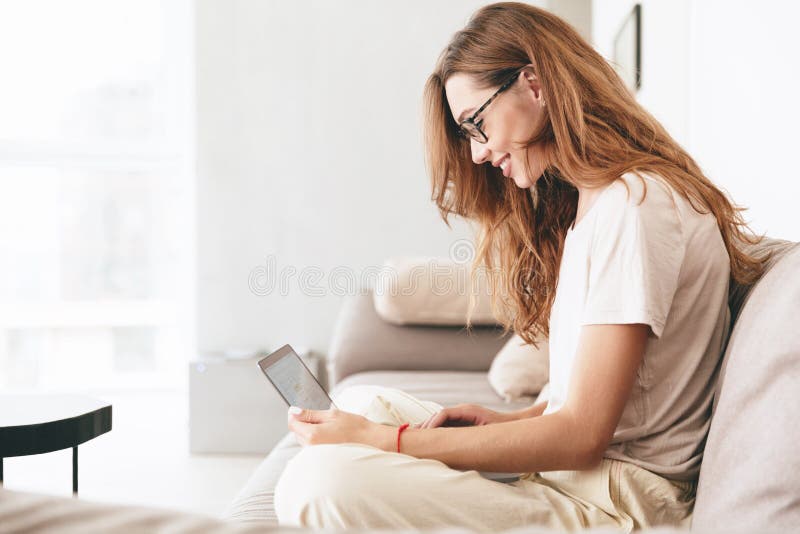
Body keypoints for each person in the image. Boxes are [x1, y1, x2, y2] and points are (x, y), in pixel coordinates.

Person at [273, 2, 767, 531]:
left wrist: (384, 443)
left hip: (616, 504)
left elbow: (584, 434)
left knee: (319, 482)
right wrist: (505, 422)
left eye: (476, 124)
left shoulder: (636, 206)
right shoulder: (597, 207)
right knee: (360, 401)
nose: (479, 153)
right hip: (574, 478)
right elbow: (595, 405)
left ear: (534, 85)